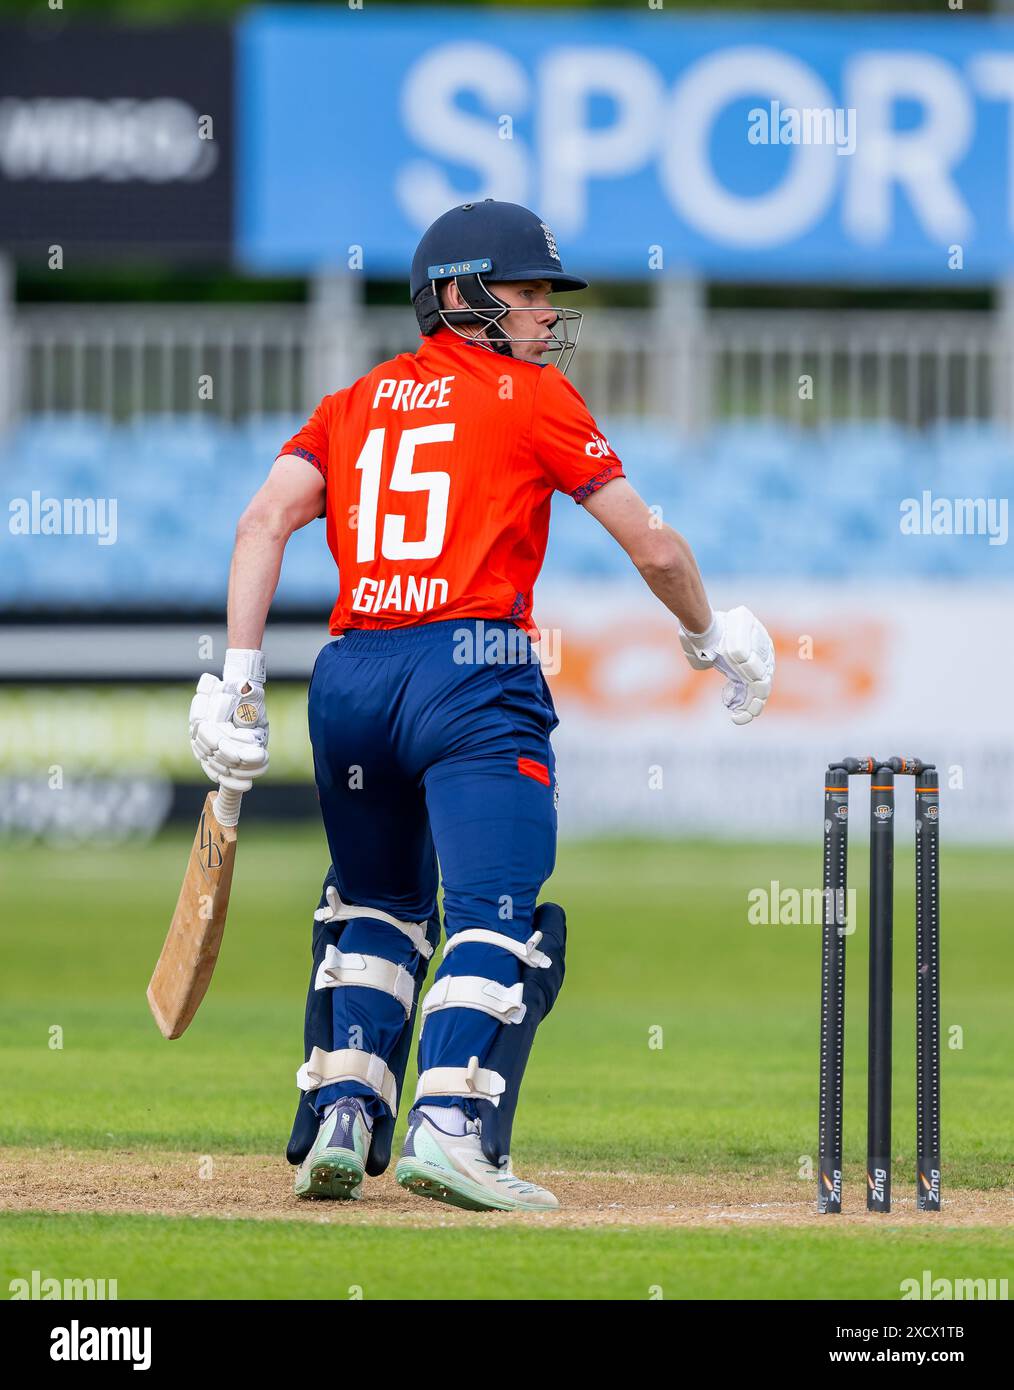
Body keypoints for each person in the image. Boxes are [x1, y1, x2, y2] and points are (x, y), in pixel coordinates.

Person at [188, 199, 775, 1213]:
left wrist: (238, 678)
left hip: (352, 672)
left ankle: (345, 1110)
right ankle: (450, 1129)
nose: (548, 313)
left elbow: (261, 522)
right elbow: (655, 544)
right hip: (473, 666)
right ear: (459, 297)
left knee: (376, 905)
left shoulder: (352, 402)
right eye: (530, 291)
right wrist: (710, 635)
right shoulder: (534, 395)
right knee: (498, 908)